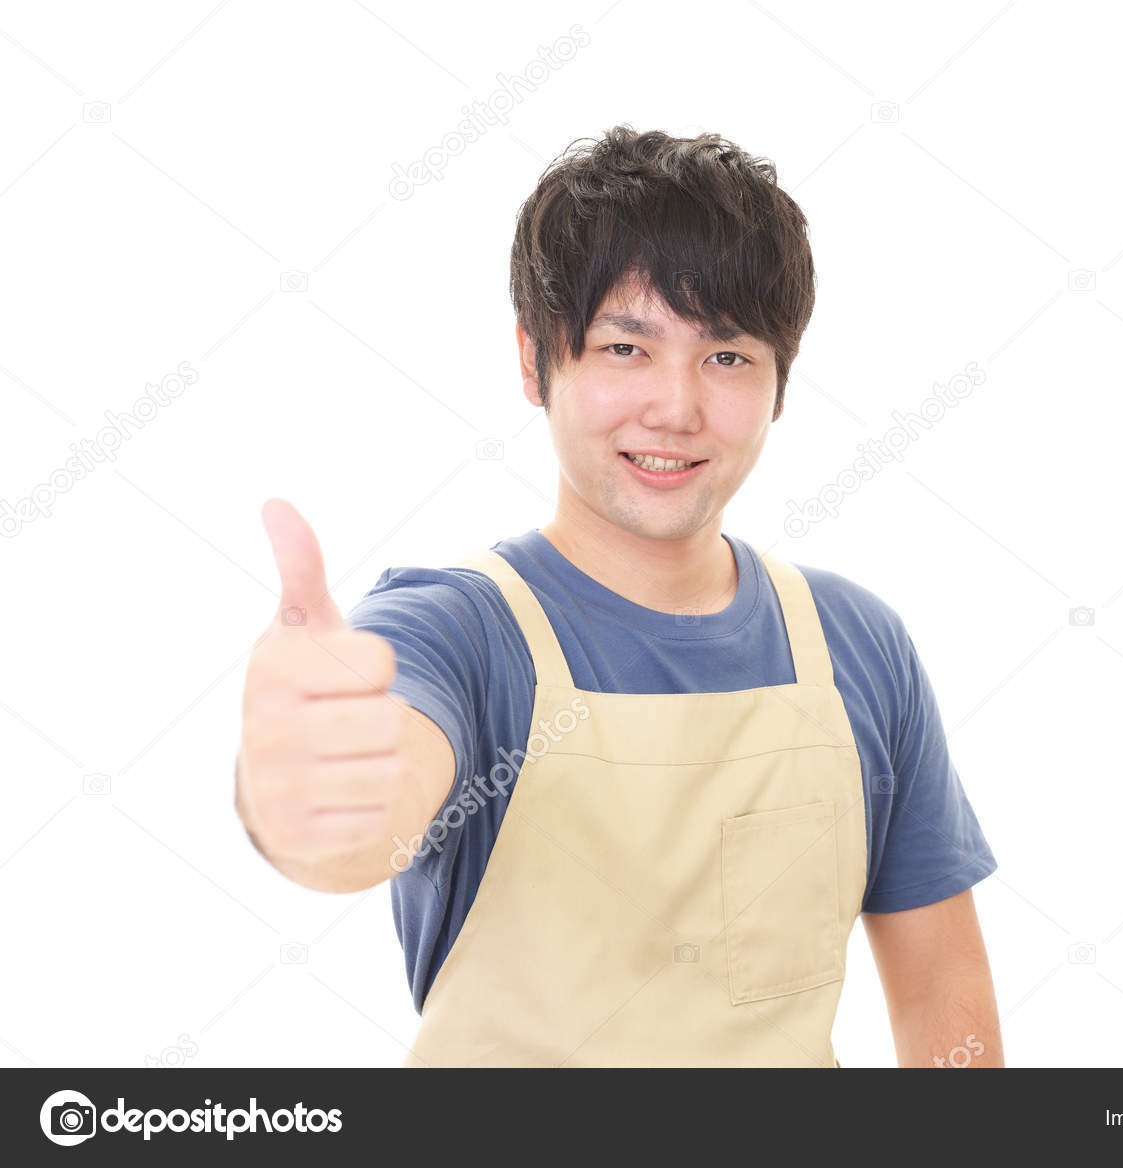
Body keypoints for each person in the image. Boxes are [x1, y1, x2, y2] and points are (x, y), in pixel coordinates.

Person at [235, 125, 1002, 1068]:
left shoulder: (858, 644)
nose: (676, 408)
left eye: (727, 357)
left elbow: (940, 993)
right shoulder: (454, 632)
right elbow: (355, 831)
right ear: (534, 360)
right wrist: (306, 797)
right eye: (625, 349)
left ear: (781, 384)